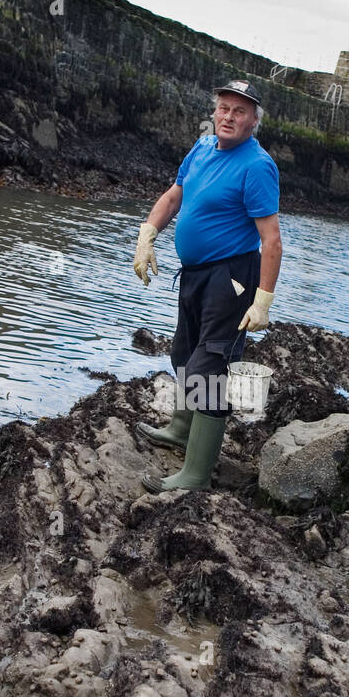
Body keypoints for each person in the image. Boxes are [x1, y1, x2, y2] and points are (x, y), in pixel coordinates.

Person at [132, 79, 282, 493]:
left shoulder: (257, 166)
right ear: (214, 111)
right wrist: (148, 234)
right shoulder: (201, 148)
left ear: (254, 121)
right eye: (223, 108)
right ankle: (181, 429)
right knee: (184, 351)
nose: (229, 116)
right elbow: (174, 195)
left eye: (240, 111)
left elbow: (271, 239)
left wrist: (262, 301)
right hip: (196, 273)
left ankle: (196, 474)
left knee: (209, 366)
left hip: (231, 277)